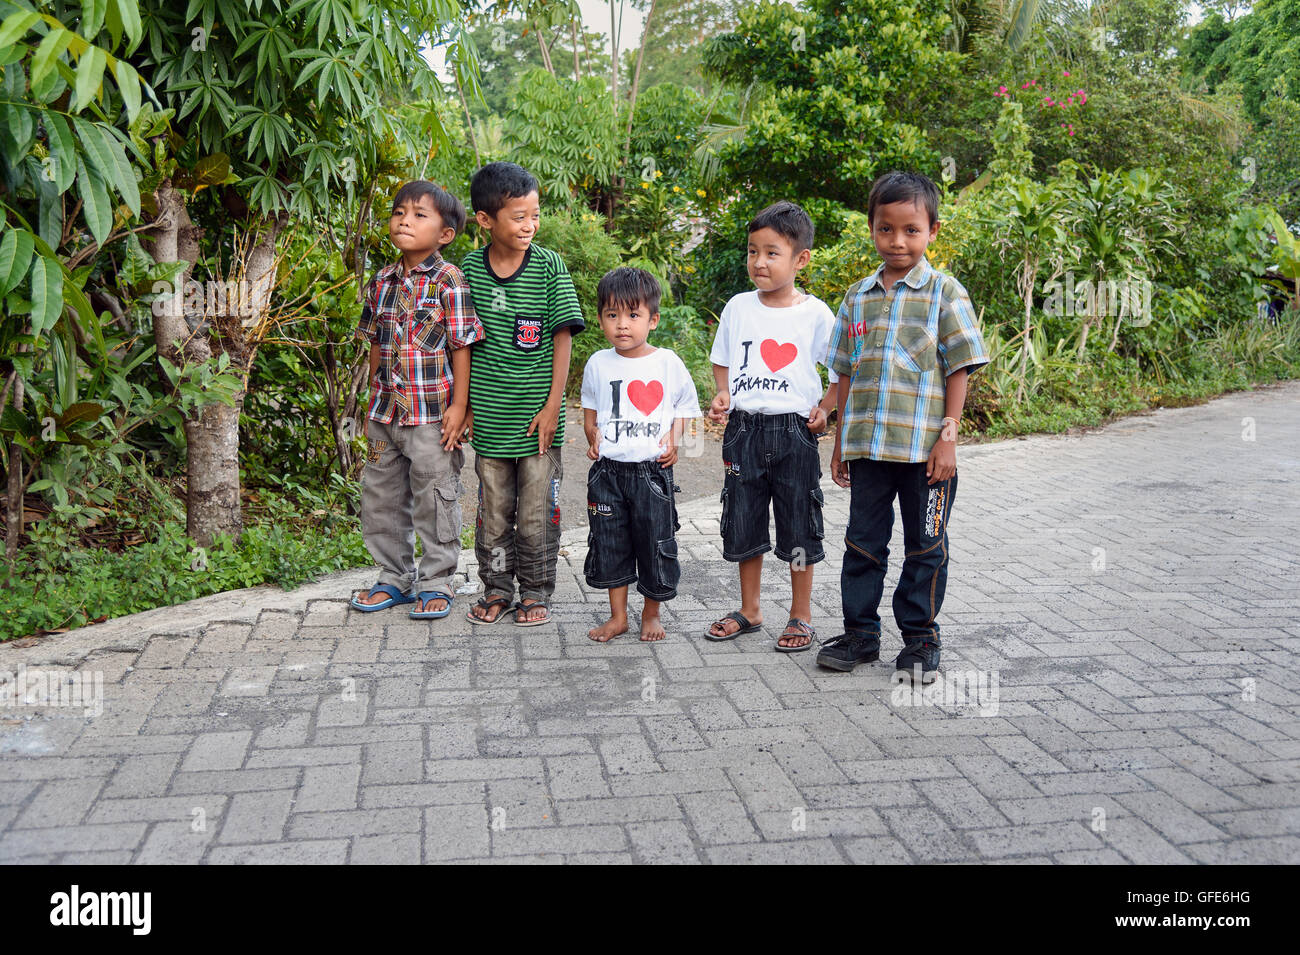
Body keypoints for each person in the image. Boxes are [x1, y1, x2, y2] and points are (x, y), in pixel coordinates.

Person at [817, 171, 990, 683]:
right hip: (869, 450)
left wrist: (949, 437)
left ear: (932, 230)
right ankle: (860, 636)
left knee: (926, 545)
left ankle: (919, 641)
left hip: (926, 455)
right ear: (871, 228)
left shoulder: (944, 293)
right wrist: (839, 442)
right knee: (862, 544)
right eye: (885, 229)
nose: (897, 241)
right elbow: (845, 371)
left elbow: (960, 366)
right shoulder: (857, 297)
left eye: (911, 230)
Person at [705, 200, 839, 652]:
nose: (758, 262)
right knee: (743, 518)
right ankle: (751, 609)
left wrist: (826, 408)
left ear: (800, 259)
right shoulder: (739, 307)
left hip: (796, 434)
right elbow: (721, 361)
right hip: (743, 430)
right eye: (752, 251)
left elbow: (843, 372)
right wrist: (723, 394)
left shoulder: (817, 315)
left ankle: (800, 615)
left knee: (799, 521)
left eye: (771, 252)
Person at [350, 181, 484, 619]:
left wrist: (460, 407)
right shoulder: (381, 281)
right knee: (382, 497)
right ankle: (394, 578)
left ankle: (437, 581)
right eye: (398, 212)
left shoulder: (449, 280)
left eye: (419, 215)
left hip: (432, 415)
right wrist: (372, 391)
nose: (405, 220)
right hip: (384, 413)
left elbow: (461, 345)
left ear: (445, 233)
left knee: (435, 498)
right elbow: (374, 340)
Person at [461, 162, 585, 627]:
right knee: (493, 515)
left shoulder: (550, 266)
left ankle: (534, 592)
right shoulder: (470, 269)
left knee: (536, 514)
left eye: (535, 214)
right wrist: (466, 404)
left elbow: (562, 337)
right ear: (486, 220)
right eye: (518, 216)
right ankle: (496, 589)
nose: (530, 225)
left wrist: (553, 406)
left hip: (538, 421)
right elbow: (464, 343)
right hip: (491, 418)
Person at [581, 267, 701, 643]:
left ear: (653, 320)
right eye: (612, 315)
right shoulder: (598, 363)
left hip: (651, 475)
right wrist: (593, 434)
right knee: (610, 541)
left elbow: (687, 407)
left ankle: (651, 613)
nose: (622, 325)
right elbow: (590, 411)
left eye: (633, 315)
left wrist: (675, 440)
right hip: (608, 474)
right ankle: (618, 617)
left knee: (654, 543)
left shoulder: (667, 363)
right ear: (600, 317)